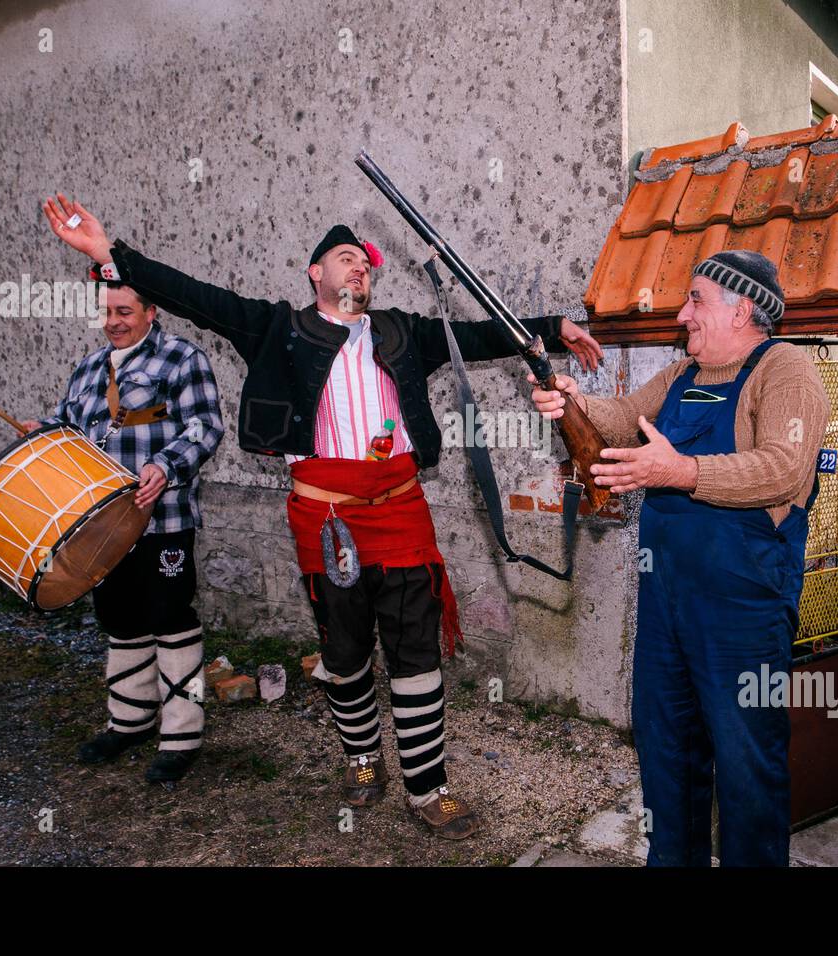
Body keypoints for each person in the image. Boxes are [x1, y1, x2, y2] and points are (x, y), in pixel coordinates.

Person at [42, 195, 603, 838]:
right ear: (316, 273)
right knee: (344, 652)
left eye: (365, 261)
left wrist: (553, 326)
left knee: (416, 652)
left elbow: (476, 337)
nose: (359, 267)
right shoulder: (275, 329)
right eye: (345, 258)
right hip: (324, 519)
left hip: (401, 513)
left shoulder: (400, 331)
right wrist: (107, 253)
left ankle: (429, 787)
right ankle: (364, 761)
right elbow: (191, 294)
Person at [529, 250, 829, 865]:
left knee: (747, 763)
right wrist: (571, 400)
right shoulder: (681, 375)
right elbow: (617, 421)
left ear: (742, 308)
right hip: (667, 605)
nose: (682, 313)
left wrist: (680, 470)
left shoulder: (787, 371)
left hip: (744, 609)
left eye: (696, 299)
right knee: (668, 752)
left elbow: (782, 468)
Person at [26, 279, 225, 783]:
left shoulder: (182, 359)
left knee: (170, 613)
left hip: (164, 518)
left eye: (125, 310)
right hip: (99, 524)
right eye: (107, 312)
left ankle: (182, 734)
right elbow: (69, 427)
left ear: (151, 311)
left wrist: (165, 465)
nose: (114, 321)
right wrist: (43, 434)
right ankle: (130, 720)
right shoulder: (90, 367)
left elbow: (205, 426)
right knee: (118, 615)